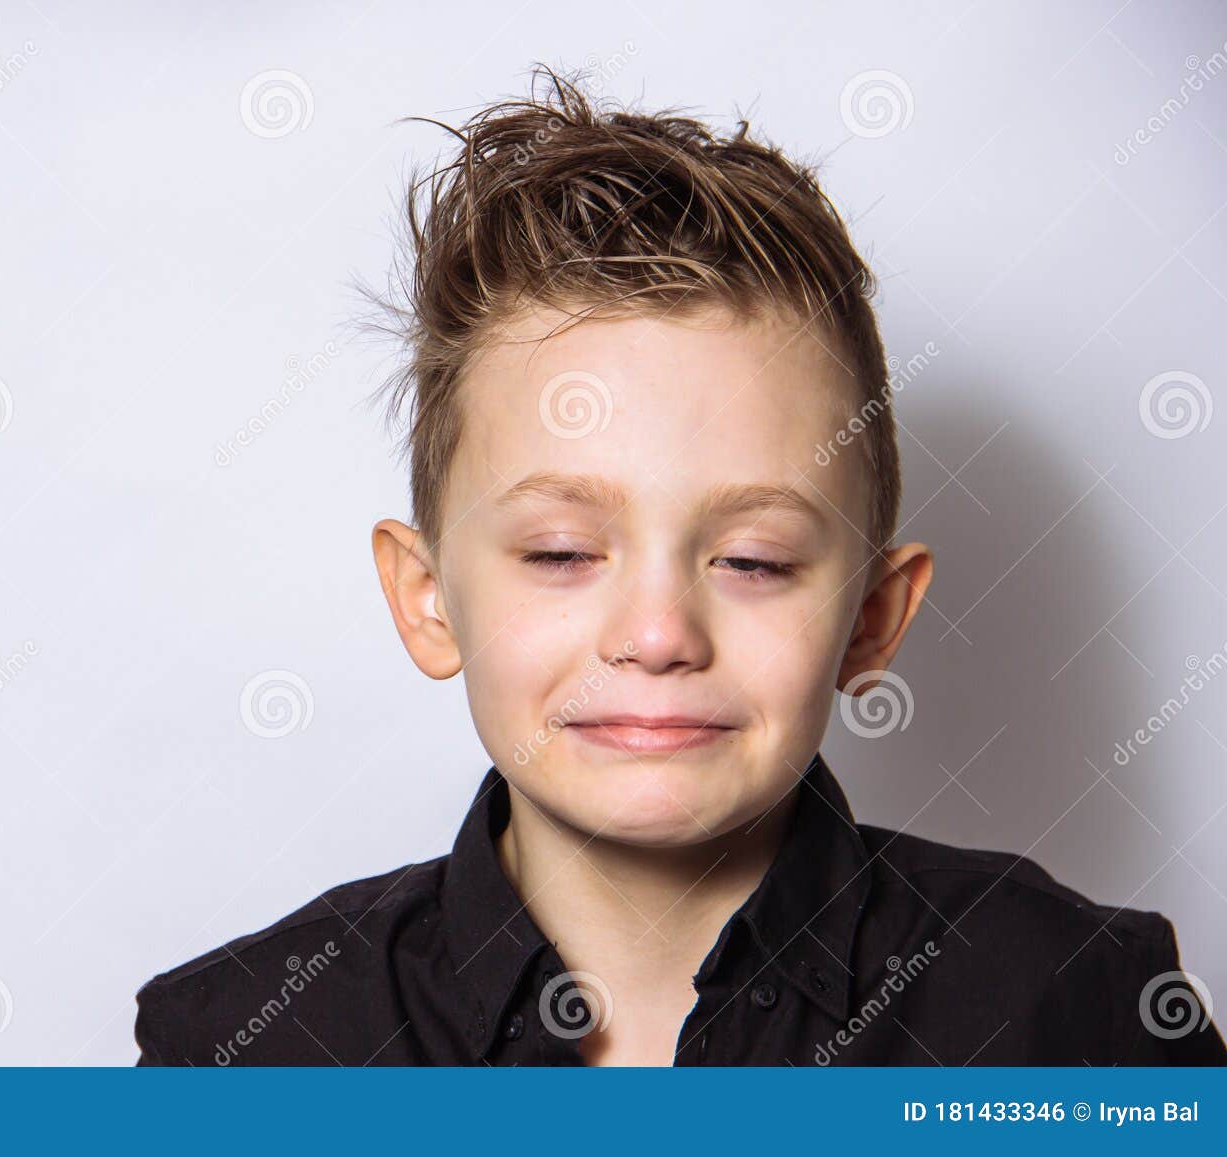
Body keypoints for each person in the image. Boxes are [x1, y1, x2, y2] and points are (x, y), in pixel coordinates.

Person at [134, 65, 1224, 1066]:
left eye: (752, 559)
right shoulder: (242, 1050)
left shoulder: (1077, 1011)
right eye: (560, 551)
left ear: (872, 618)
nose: (657, 633)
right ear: (427, 599)